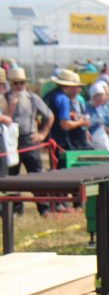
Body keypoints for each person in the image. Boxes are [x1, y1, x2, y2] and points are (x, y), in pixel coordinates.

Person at [6, 67, 53, 215]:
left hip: (29, 139)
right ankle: (16, 209)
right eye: (16, 83)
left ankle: (44, 208)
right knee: (12, 177)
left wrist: (42, 134)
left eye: (22, 83)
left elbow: (49, 116)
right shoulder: (5, 98)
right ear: (10, 84)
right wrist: (11, 105)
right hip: (11, 141)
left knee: (37, 175)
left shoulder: (33, 98)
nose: (19, 86)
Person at [45, 68, 90, 166]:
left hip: (50, 139)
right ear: (69, 86)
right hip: (61, 142)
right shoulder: (63, 99)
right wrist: (81, 122)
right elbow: (65, 125)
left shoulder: (49, 95)